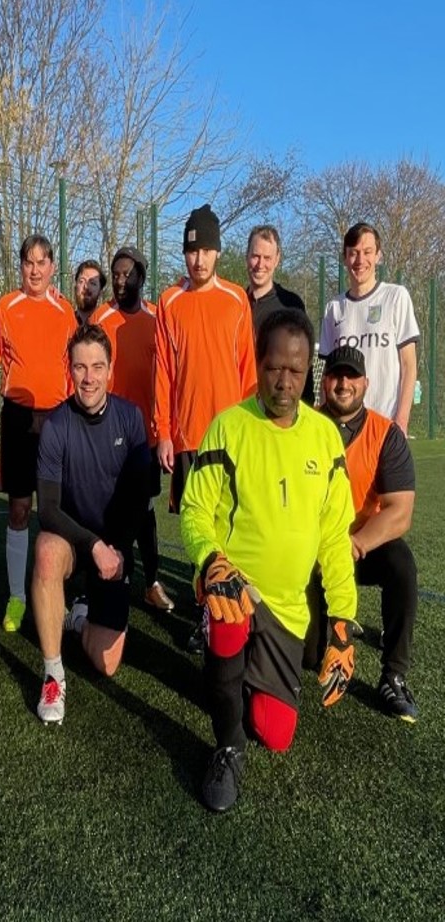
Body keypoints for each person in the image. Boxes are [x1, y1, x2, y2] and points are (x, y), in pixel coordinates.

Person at [181, 310, 358, 813]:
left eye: (295, 371)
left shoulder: (325, 437)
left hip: (287, 610)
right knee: (227, 614)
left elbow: (335, 539)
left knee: (276, 733)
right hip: (236, 587)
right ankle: (228, 747)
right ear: (257, 364)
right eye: (275, 367)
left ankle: (234, 675)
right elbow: (195, 511)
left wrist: (343, 621)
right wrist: (210, 560)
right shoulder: (228, 426)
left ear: (309, 373)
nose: (284, 382)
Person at [30, 324, 149, 724]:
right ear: (70, 370)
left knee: (107, 664)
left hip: (113, 547)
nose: (89, 378)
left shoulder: (130, 418)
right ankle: (53, 674)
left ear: (110, 370)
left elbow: (139, 500)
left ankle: (79, 617)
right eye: (80, 367)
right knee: (46, 551)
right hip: (74, 542)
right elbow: (47, 510)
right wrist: (93, 546)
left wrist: (116, 548)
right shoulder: (56, 425)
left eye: (97, 367)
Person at [154, 204, 257, 652]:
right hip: (189, 436)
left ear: (217, 252)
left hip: (233, 438)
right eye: (192, 251)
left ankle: (236, 607)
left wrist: (254, 429)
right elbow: (163, 371)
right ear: (185, 253)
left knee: (231, 523)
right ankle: (206, 614)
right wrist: (163, 431)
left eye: (206, 251)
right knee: (198, 528)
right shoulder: (169, 301)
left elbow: (248, 370)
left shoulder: (236, 300)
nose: (199, 259)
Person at [307, 345, 419, 721]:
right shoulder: (303, 426)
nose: (344, 383)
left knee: (401, 563)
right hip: (312, 553)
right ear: (324, 381)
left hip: (360, 546)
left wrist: (355, 543)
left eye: (351, 376)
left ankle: (394, 676)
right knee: (310, 656)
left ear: (366, 383)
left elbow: (400, 512)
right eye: (336, 375)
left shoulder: (385, 434)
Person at [0, 235, 77, 631]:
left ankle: (58, 596)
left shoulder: (65, 311)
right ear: (21, 266)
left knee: (56, 512)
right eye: (28, 262)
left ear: (52, 266)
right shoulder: (6, 307)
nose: (35, 270)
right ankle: (17, 597)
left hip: (57, 419)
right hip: (18, 419)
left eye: (42, 262)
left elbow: (74, 368)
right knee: (19, 509)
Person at [92, 245, 174, 613]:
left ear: (142, 275)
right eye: (116, 274)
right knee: (108, 505)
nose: (121, 281)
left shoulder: (157, 317)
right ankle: (111, 576)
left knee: (145, 506)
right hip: (108, 430)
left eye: (128, 274)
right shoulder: (101, 317)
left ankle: (151, 582)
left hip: (147, 433)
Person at [320, 223, 420, 433]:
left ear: (378, 256)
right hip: (342, 428)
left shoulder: (396, 297)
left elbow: (409, 365)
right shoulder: (333, 308)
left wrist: (401, 421)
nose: (360, 260)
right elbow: (326, 376)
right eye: (353, 253)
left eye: (367, 252)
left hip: (385, 425)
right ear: (345, 258)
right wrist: (323, 422)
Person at [244, 225, 314, 404]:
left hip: (277, 404)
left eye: (267, 258)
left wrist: (306, 405)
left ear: (277, 260)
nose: (260, 264)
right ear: (247, 257)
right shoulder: (236, 304)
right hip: (243, 404)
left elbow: (302, 362)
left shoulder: (290, 304)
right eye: (255, 256)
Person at [72, 259, 105, 326]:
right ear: (75, 287)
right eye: (81, 281)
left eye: (92, 283)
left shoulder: (105, 324)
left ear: (100, 292)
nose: (86, 287)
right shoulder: (65, 321)